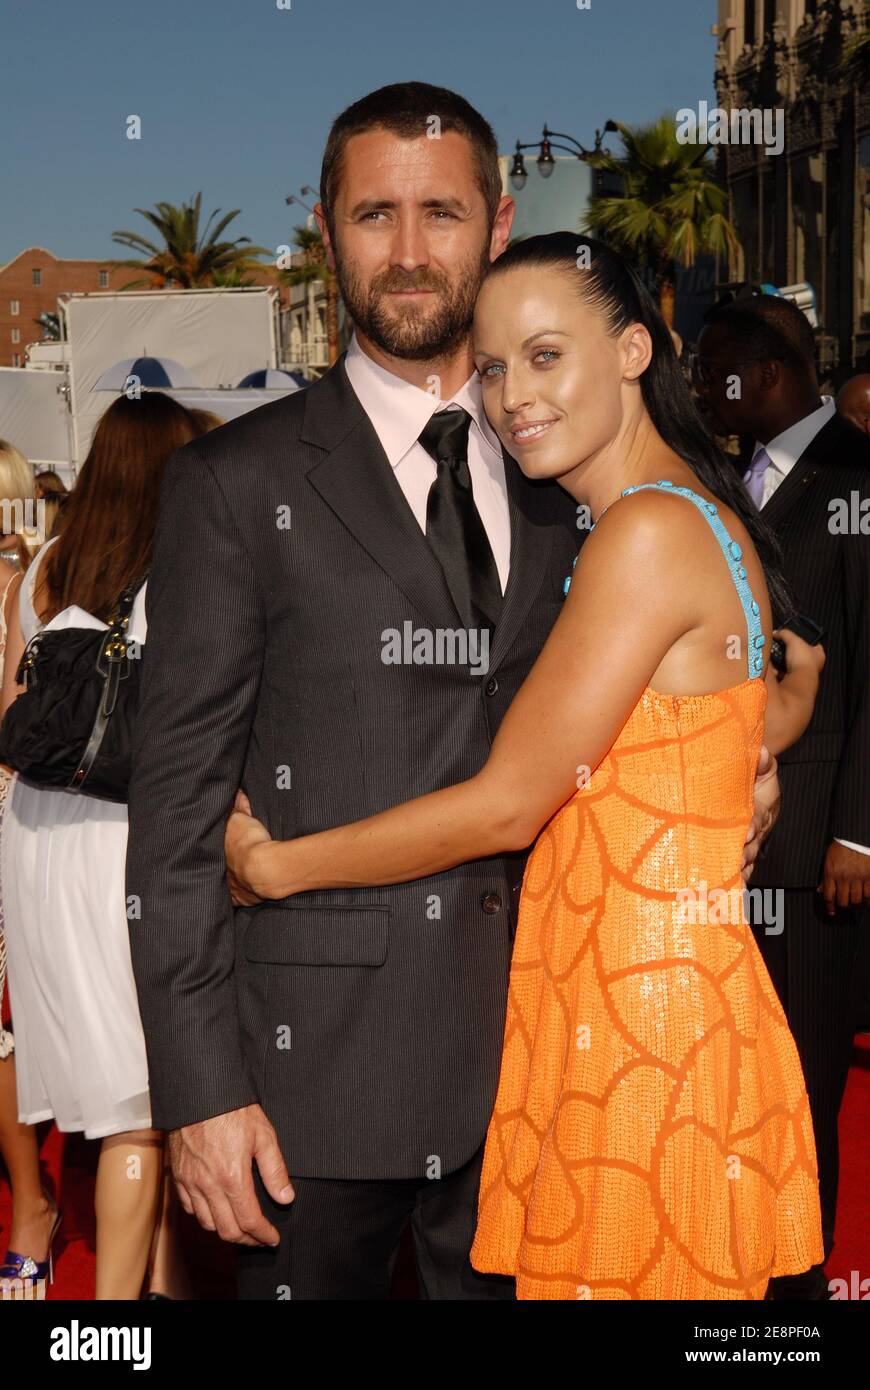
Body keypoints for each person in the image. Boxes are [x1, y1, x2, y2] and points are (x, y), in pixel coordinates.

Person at [126, 83, 783, 1302]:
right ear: (328, 231)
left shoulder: (566, 477)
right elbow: (174, 821)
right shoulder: (234, 485)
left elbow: (741, 659)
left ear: (496, 221)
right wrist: (203, 1090)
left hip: (550, 1075)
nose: (413, 250)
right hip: (314, 1097)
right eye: (377, 215)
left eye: (443, 211)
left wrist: (748, 752)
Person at [0, 392, 198, 1299]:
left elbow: (9, 718)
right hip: (126, 840)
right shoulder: (184, 574)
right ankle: (114, 1329)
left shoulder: (39, 568)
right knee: (142, 1110)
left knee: (121, 1086)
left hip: (36, 839)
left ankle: (163, 1286)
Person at [696, 294, 870, 1299]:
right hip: (722, 845)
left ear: (765, 372)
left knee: (802, 1092)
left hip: (818, 856)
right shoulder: (721, 482)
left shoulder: (856, 472)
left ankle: (799, 1294)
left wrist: (860, 831)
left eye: (712, 368)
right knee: (737, 1084)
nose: (698, 387)